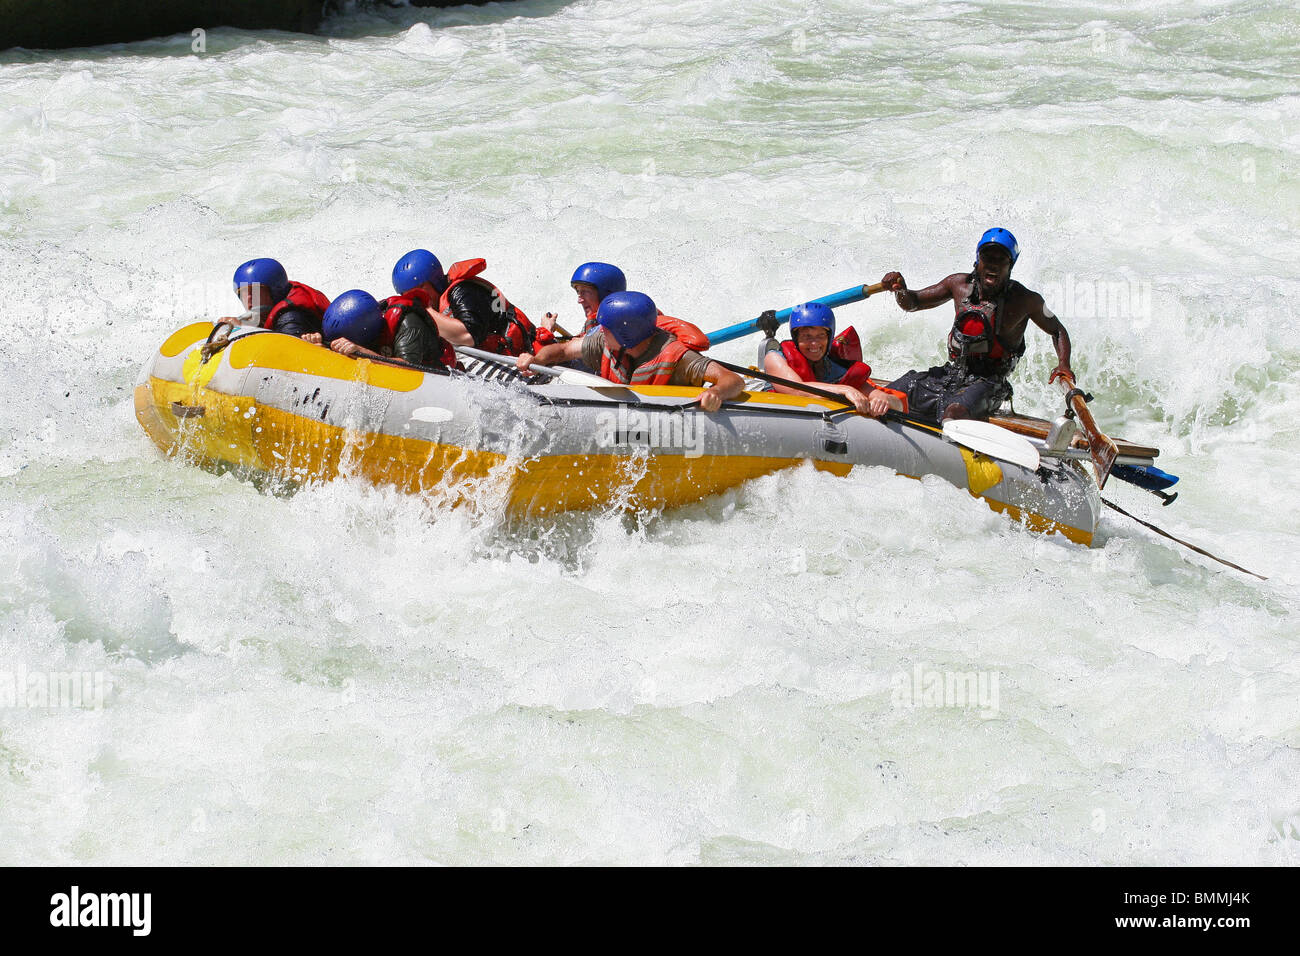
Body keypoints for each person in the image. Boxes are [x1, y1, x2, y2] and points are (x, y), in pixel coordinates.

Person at [878, 228, 1073, 422]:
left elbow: (1057, 330)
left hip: (990, 384)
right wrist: (900, 290)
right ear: (978, 259)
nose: (993, 265)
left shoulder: (1026, 300)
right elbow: (914, 303)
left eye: (1001, 259)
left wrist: (1063, 364)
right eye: (988, 257)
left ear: (1010, 265)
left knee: (954, 413)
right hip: (951, 373)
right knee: (889, 393)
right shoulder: (958, 285)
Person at [515, 291, 744, 412]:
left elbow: (732, 379)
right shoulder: (605, 341)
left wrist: (716, 393)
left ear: (628, 335)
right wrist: (536, 359)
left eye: (607, 329)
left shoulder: (677, 356)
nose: (600, 332)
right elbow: (563, 350)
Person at [761, 302, 904, 417]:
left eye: (821, 336)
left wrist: (884, 400)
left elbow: (898, 404)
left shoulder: (837, 370)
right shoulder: (775, 358)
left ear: (829, 338)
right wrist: (844, 390)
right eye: (807, 337)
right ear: (796, 338)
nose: (814, 343)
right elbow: (796, 390)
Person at [390, 248, 536, 356]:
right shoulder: (441, 298)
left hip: (523, 356)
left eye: (419, 290)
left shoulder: (463, 291)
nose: (415, 297)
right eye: (407, 295)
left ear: (434, 281)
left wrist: (423, 308)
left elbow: (469, 336)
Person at [317, 288, 452, 370]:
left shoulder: (407, 322)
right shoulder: (368, 320)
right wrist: (316, 342)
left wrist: (361, 352)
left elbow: (409, 368)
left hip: (437, 369)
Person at [231, 258, 330, 338]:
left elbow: (286, 354)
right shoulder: (269, 314)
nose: (248, 298)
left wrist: (243, 328)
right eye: (243, 293)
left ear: (275, 292)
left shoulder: (289, 318)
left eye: (255, 291)